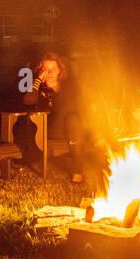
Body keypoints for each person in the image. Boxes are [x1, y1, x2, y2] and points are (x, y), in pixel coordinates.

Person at [19, 51, 89, 184]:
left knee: (73, 119)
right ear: (40, 71)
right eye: (45, 69)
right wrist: (38, 80)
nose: (49, 73)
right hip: (46, 129)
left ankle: (77, 170)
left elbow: (72, 104)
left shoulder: (67, 86)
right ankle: (78, 168)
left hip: (69, 128)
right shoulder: (37, 87)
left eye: (53, 70)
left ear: (59, 71)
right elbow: (28, 101)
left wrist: (56, 88)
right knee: (74, 122)